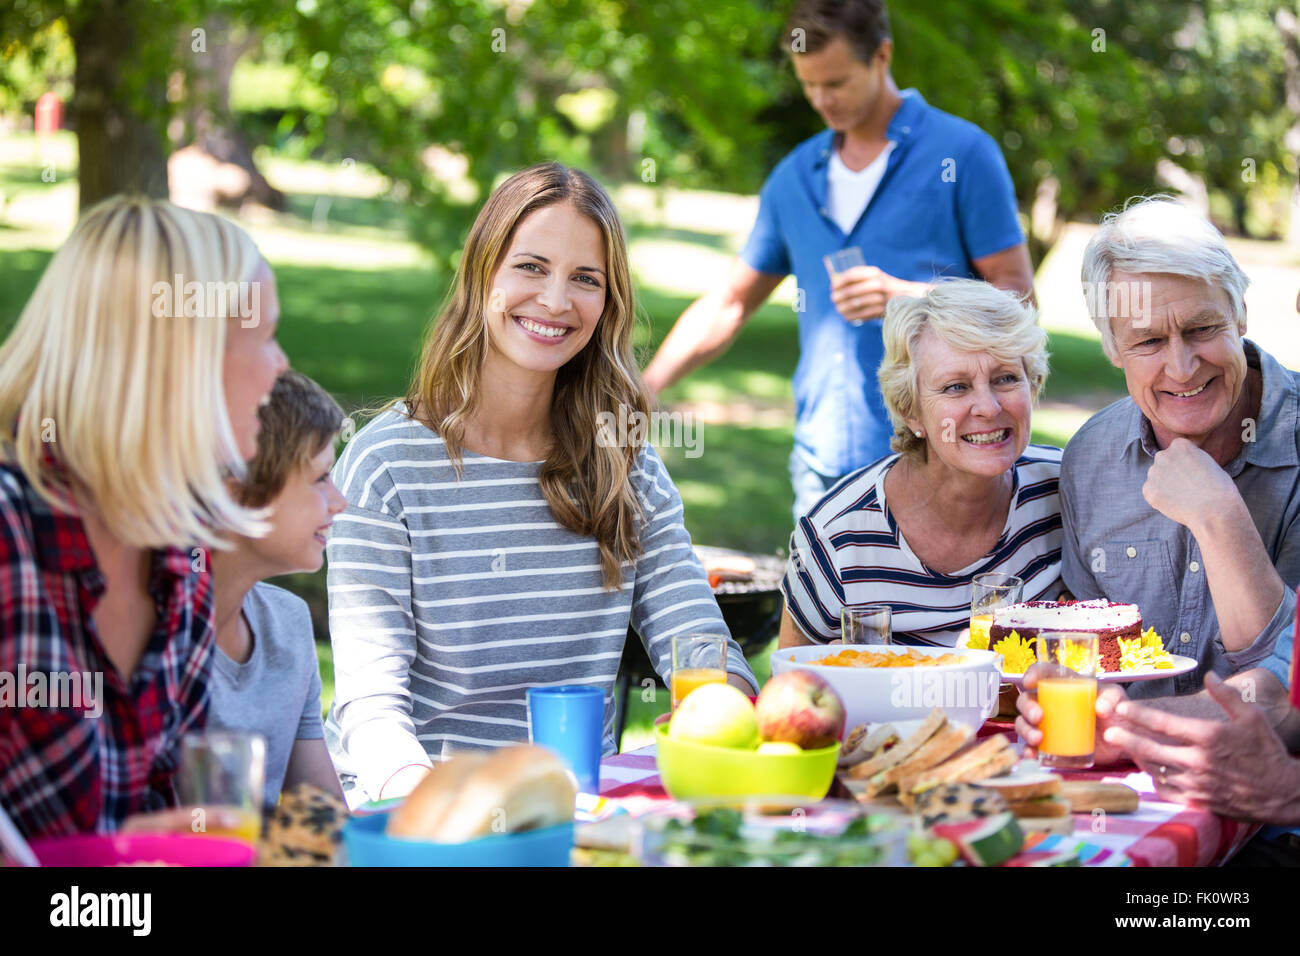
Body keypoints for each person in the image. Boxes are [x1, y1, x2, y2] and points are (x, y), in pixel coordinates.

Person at [324, 162, 758, 807]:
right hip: (416, 814)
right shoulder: (386, 465)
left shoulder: (624, 464)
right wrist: (439, 815)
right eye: (531, 267)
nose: (556, 301)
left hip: (572, 815)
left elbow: (698, 645)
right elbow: (372, 707)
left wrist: (738, 718)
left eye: (586, 279)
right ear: (482, 274)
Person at [642, 0, 1035, 522]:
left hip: (942, 456)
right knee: (822, 607)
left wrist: (906, 297)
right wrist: (646, 387)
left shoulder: (962, 155)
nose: (822, 100)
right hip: (822, 463)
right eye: (809, 85)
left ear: (882, 56)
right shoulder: (794, 177)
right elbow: (730, 303)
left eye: (837, 82)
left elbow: (1019, 299)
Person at [0, 196, 287, 840]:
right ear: (177, 361)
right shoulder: (10, 534)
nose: (282, 365)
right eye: (264, 337)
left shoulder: (179, 556)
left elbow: (175, 828)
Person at [1059, 196, 1300, 699]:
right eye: (1147, 342)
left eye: (1202, 328)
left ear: (1240, 316)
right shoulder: (1089, 460)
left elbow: (1286, 690)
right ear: (1111, 349)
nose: (1183, 367)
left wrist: (1219, 514)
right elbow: (1089, 662)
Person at [780, 279, 1060, 647]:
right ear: (911, 411)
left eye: (1006, 378)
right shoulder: (837, 537)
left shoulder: (1066, 489)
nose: (989, 408)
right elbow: (788, 686)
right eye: (955, 387)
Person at [205, 371, 348, 808]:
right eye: (320, 478)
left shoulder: (288, 622)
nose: (339, 500)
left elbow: (325, 822)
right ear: (239, 496)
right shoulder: (159, 645)